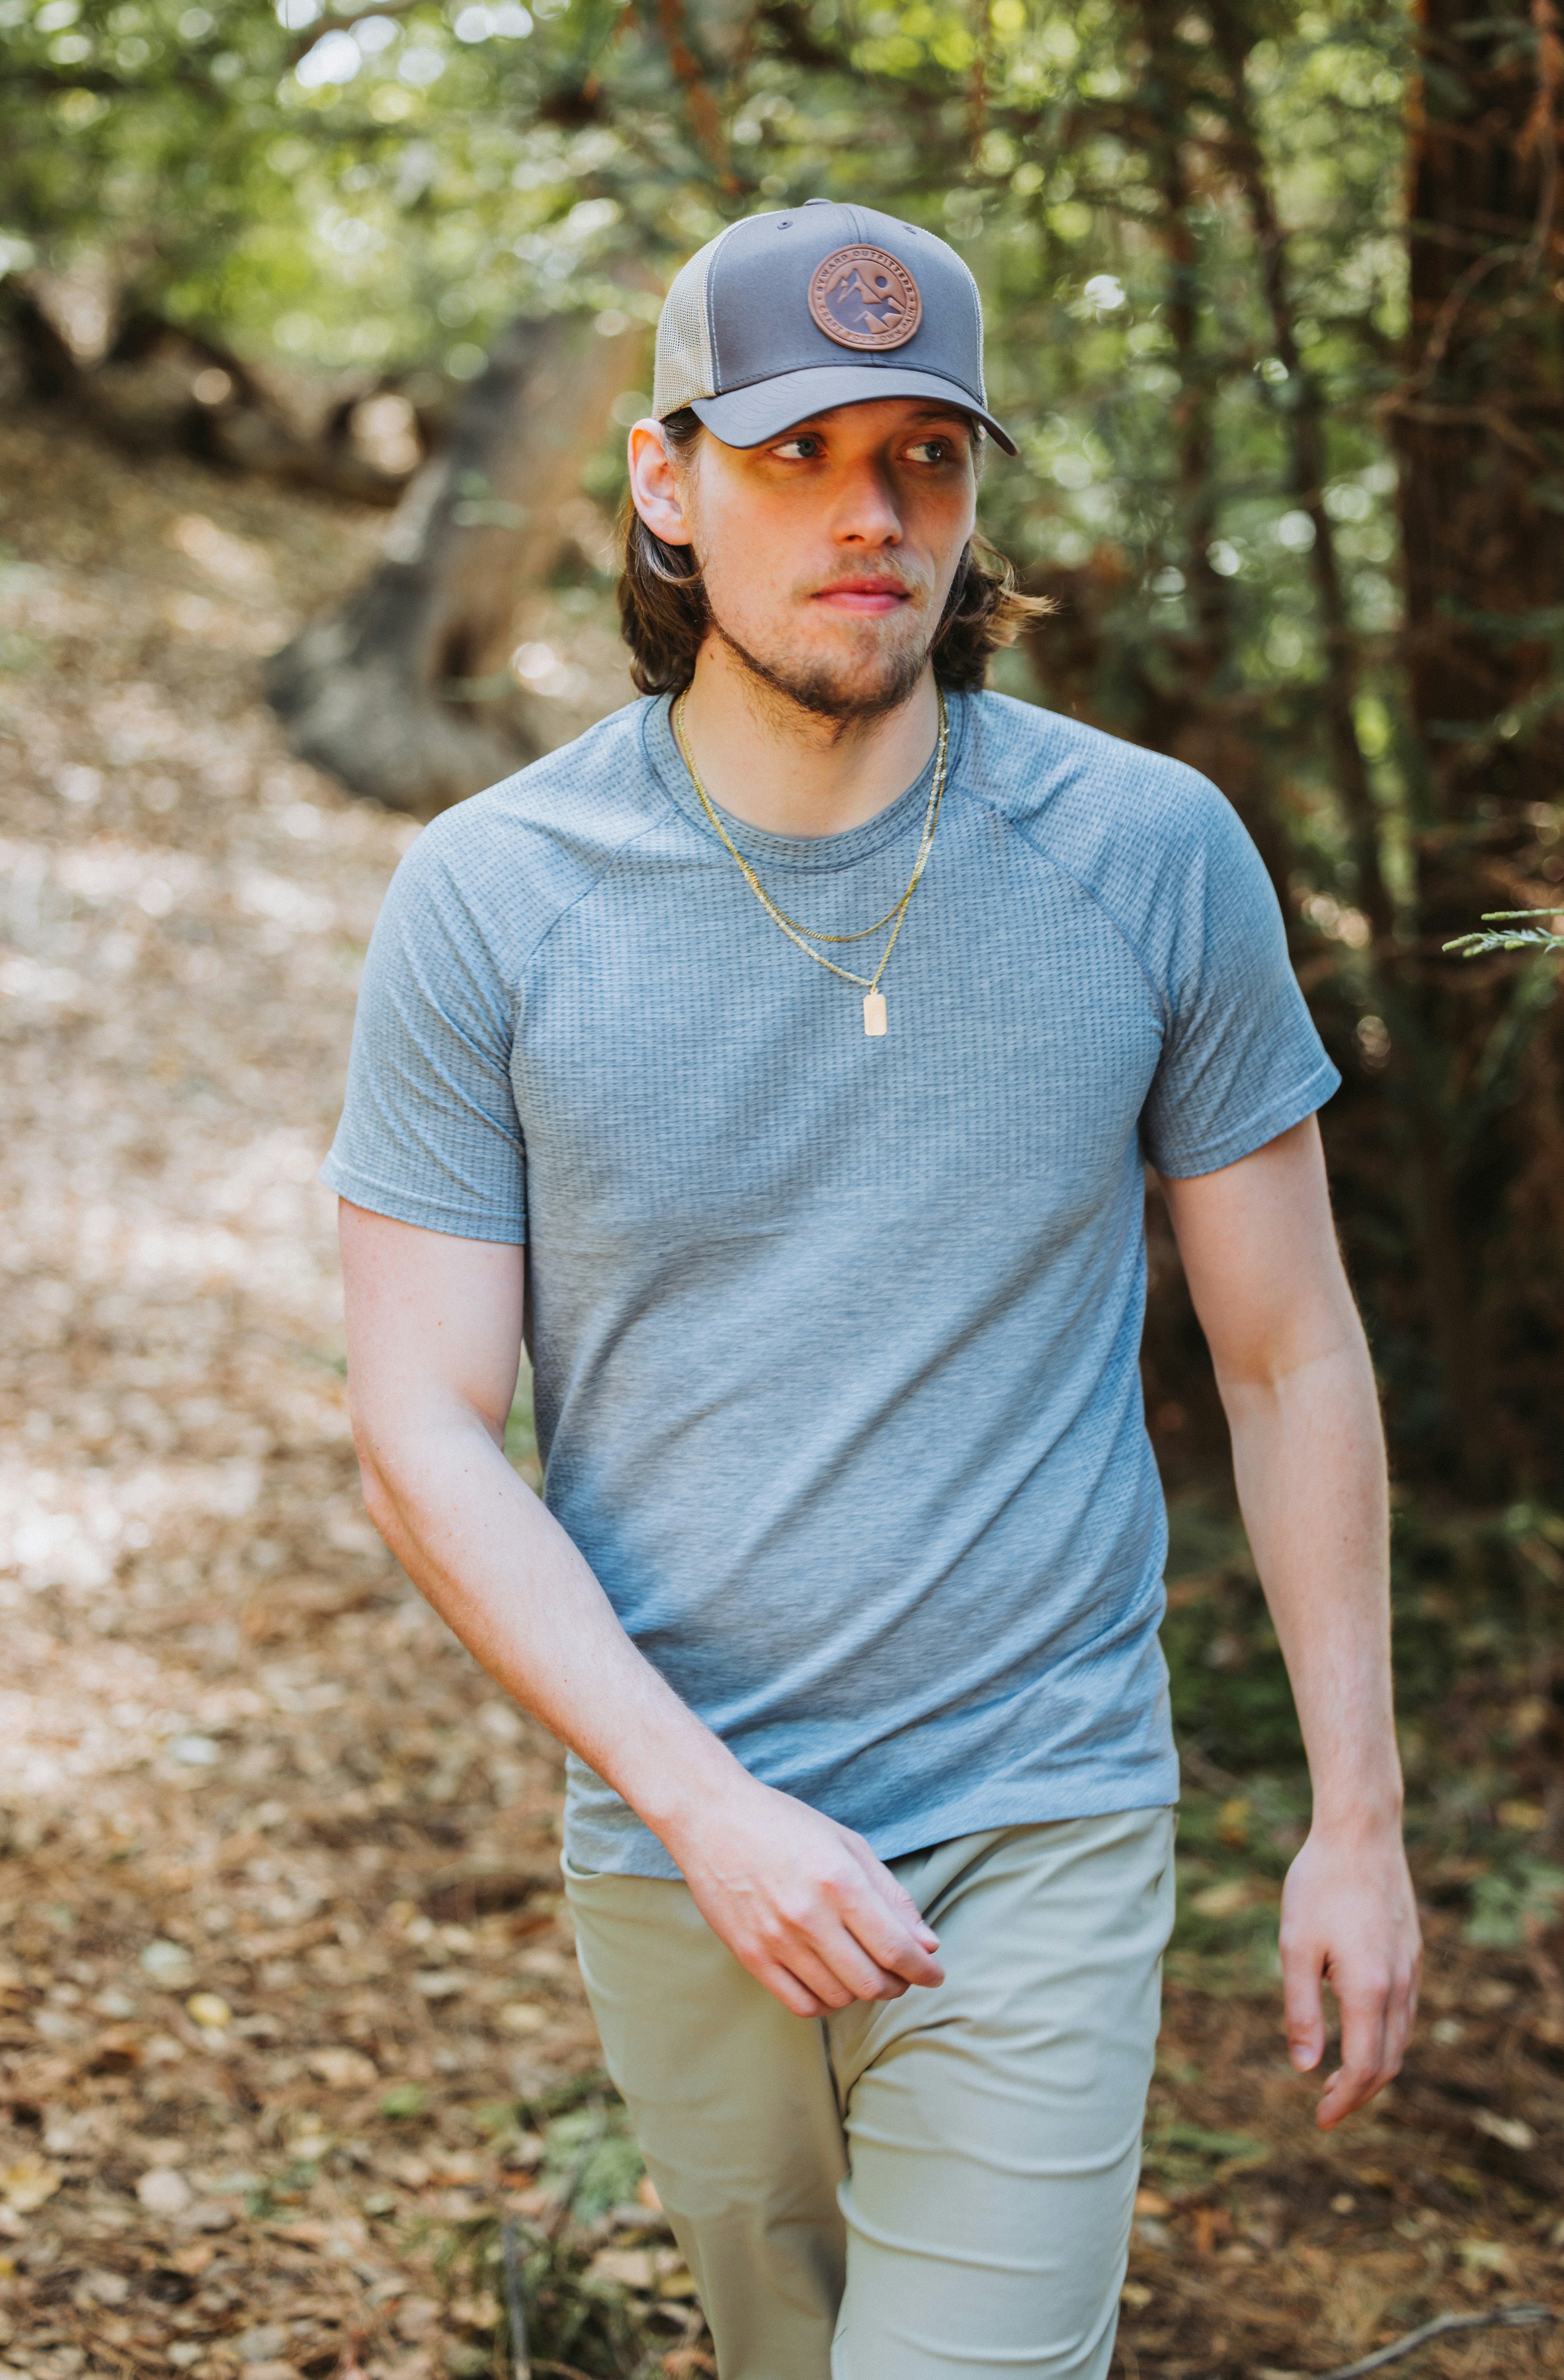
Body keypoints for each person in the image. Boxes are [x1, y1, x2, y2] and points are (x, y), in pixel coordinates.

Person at [325, 198, 1421, 2379]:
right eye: (799, 454)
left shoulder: (1149, 854)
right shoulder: (495, 899)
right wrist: (704, 1808)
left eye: (925, 456)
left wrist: (1359, 1822)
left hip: (1044, 1800)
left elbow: (1291, 1351)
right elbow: (420, 1426)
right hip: (677, 1827)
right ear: (665, 481)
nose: (873, 515)